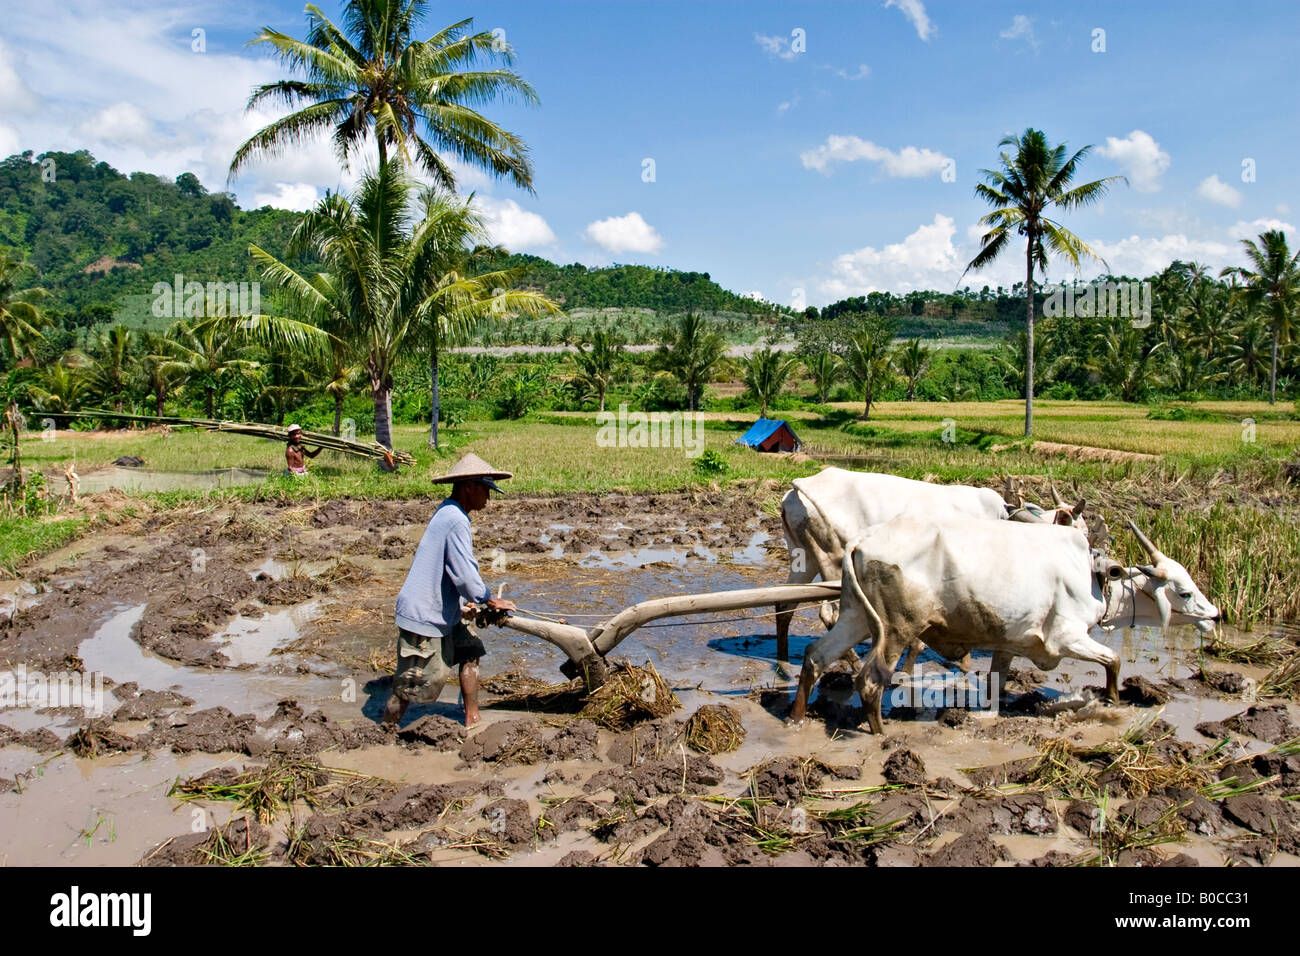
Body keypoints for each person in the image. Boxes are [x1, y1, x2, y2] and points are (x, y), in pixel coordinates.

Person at [384, 452, 515, 728]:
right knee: (409, 685)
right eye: (485, 489)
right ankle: (385, 732)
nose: (488, 497)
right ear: (469, 487)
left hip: (442, 611)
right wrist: (489, 599)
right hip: (424, 615)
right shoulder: (456, 519)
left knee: (470, 651)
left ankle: (472, 718)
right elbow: (465, 575)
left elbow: (446, 570)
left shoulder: (448, 510)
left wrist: (460, 605)